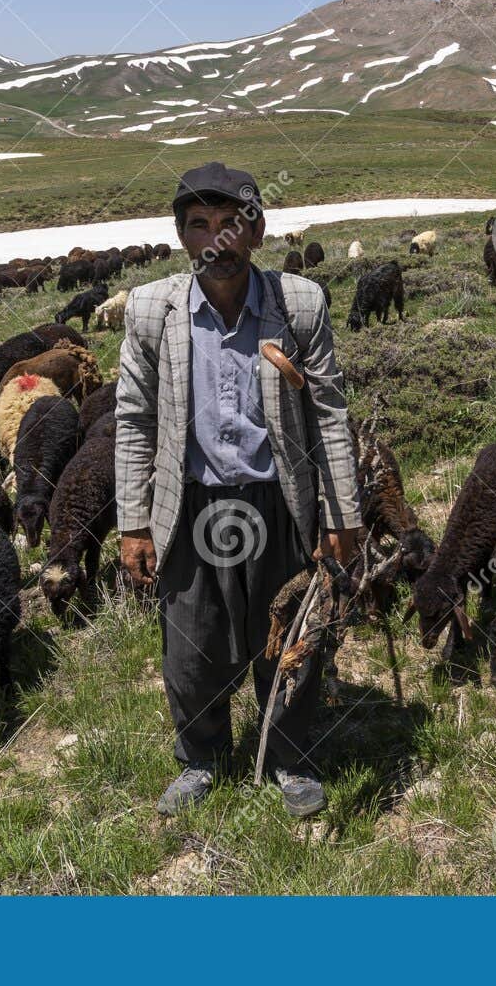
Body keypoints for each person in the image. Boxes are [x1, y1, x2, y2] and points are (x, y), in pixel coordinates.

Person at [114, 162, 363, 818]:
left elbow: (330, 413)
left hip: (278, 502)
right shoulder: (150, 311)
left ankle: (287, 756)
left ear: (256, 231)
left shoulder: (299, 303)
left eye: (231, 223)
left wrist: (343, 513)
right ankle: (201, 757)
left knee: (287, 636)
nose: (216, 239)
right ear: (182, 237)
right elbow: (135, 419)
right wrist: (134, 520)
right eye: (200, 225)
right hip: (193, 504)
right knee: (190, 645)